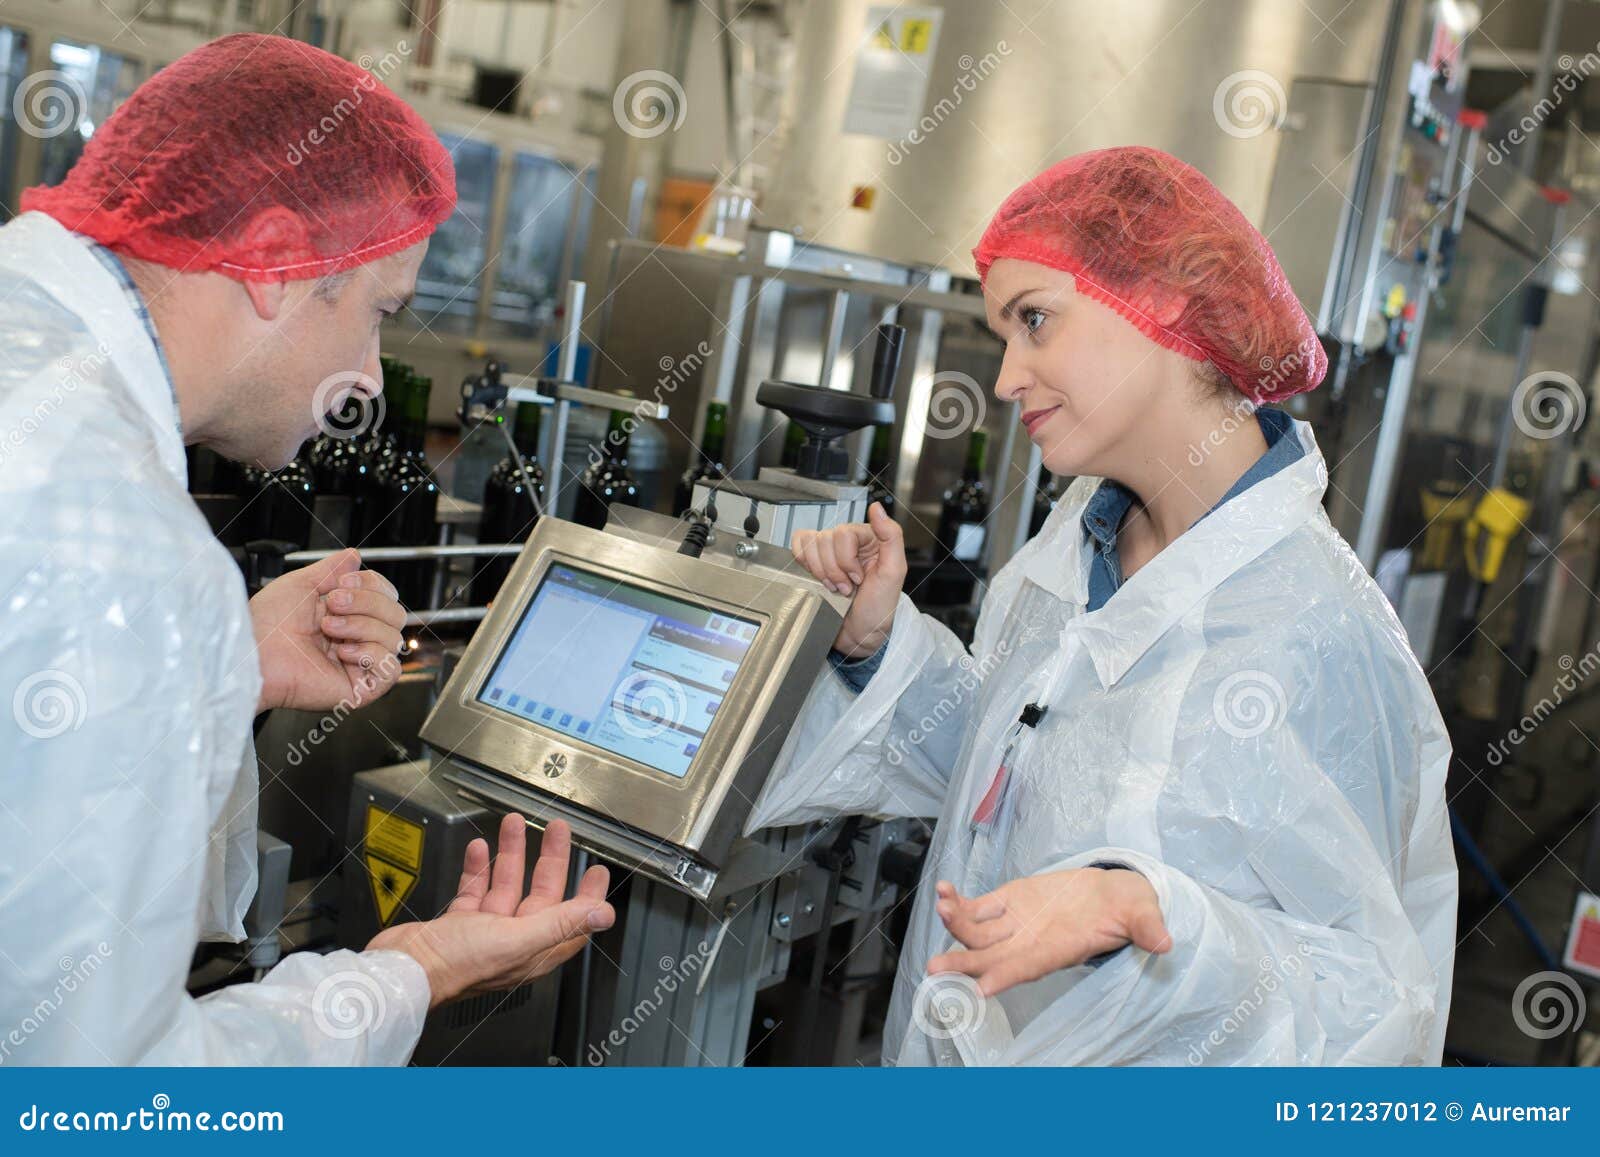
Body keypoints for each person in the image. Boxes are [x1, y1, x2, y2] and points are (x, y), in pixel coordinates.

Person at [751, 146, 1457, 1066]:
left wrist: (1153, 912)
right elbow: (1007, 779)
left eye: (1036, 321)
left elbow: (1378, 1005)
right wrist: (876, 642)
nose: (1005, 379)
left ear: (1159, 298)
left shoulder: (1316, 634)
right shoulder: (1079, 535)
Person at [0, 34, 612, 1065]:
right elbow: (102, 1093)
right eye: (378, 312)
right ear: (279, 264)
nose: (370, 379)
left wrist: (219, 662)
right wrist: (415, 970)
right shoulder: (128, 549)